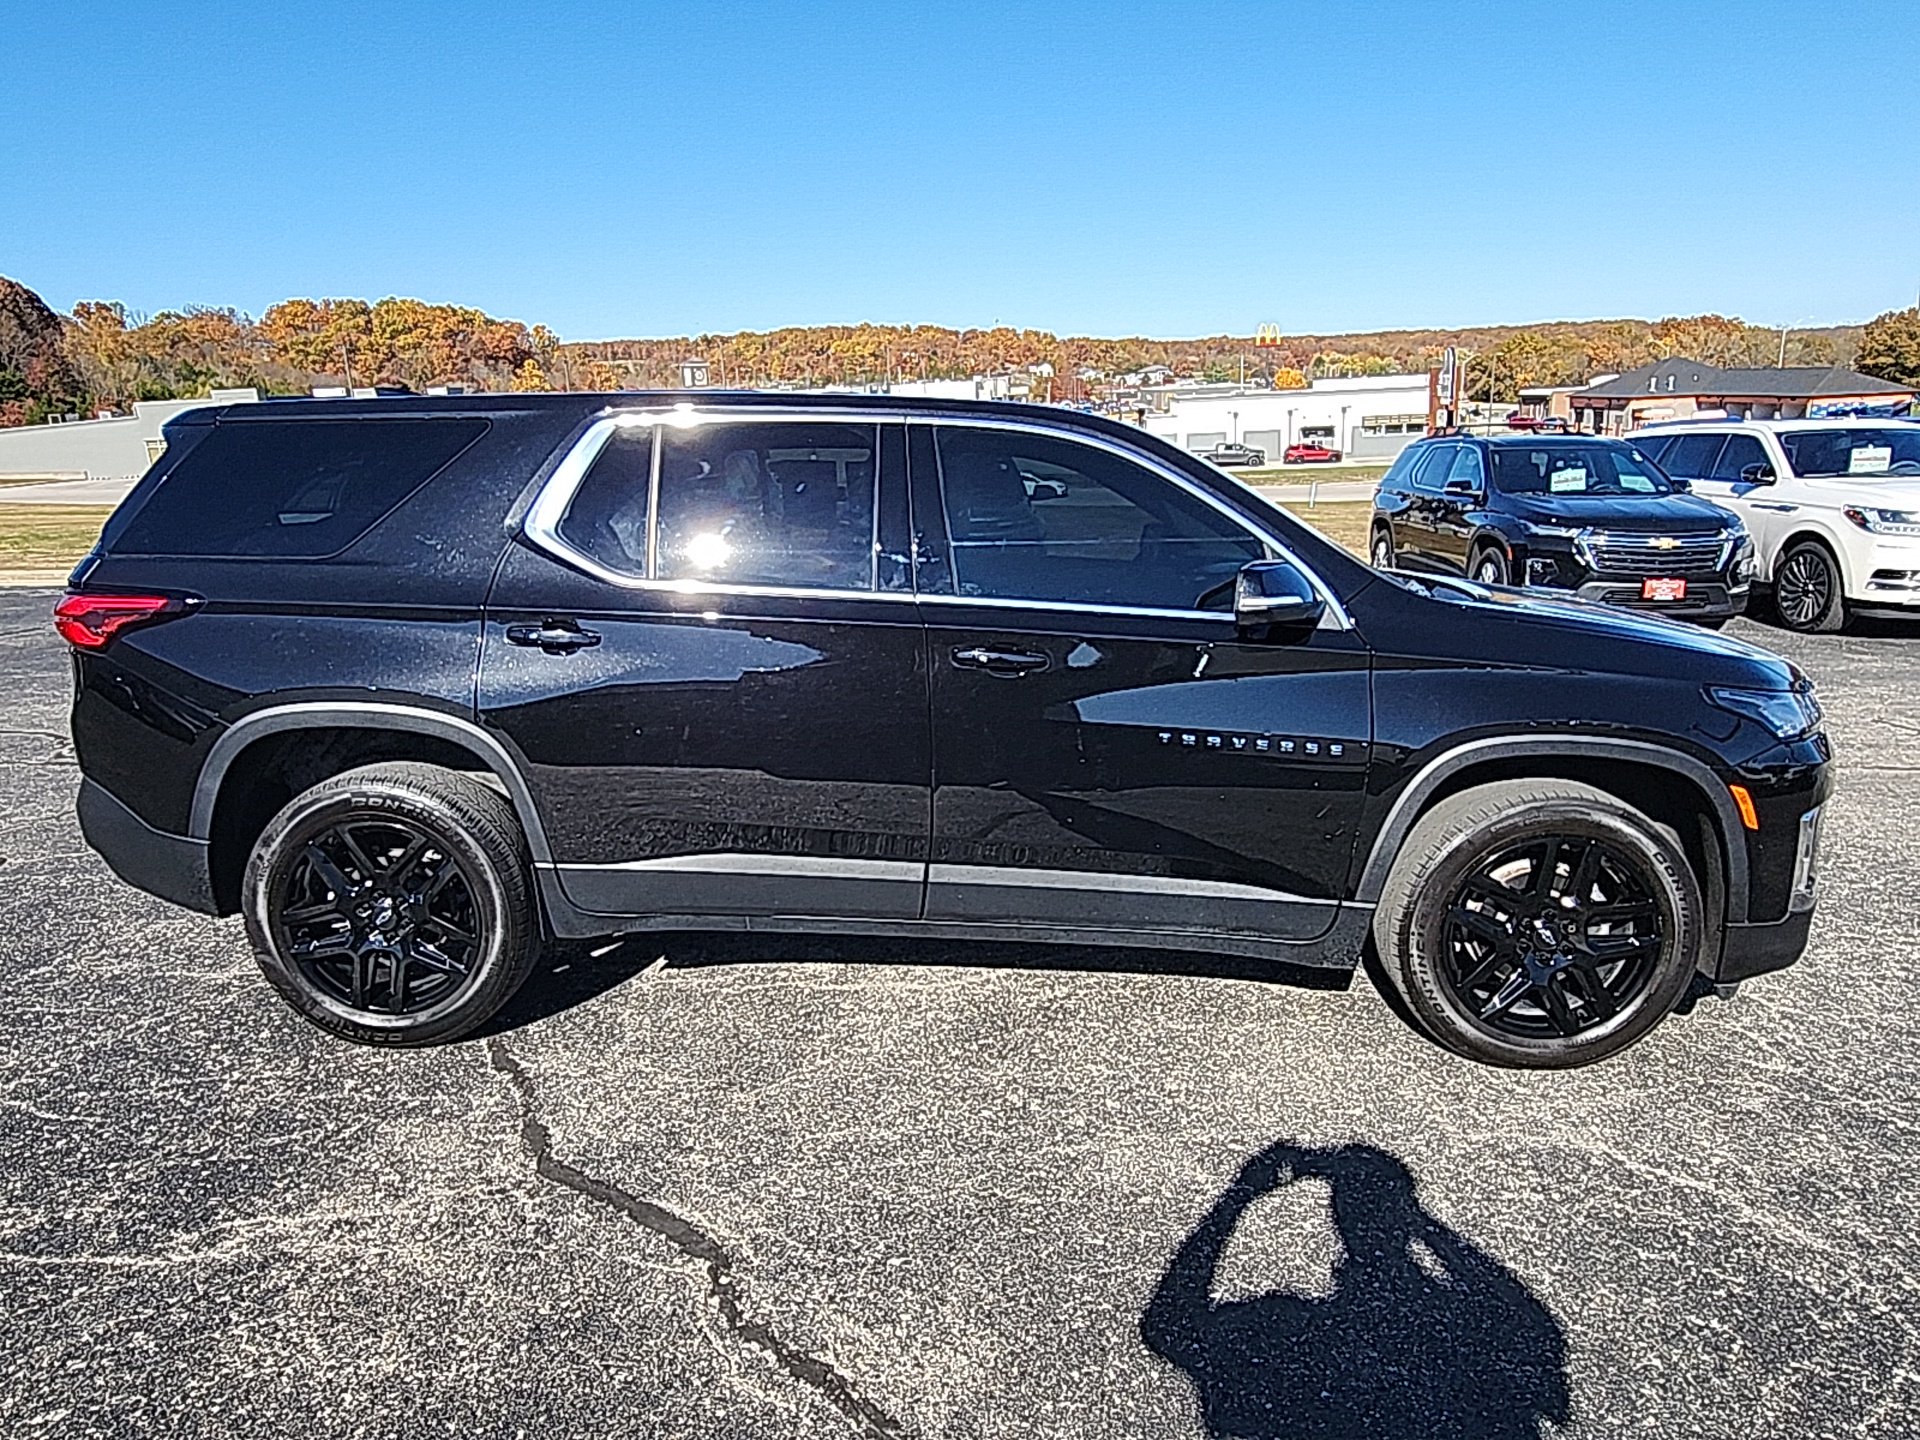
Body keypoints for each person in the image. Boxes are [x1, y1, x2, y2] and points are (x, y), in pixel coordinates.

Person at [1142, 1142, 1571, 1439]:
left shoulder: (1296, 1339)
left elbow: (1169, 1325)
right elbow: (1526, 1321)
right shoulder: (1460, 1337)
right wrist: (1419, 1225)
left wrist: (1240, 1197)